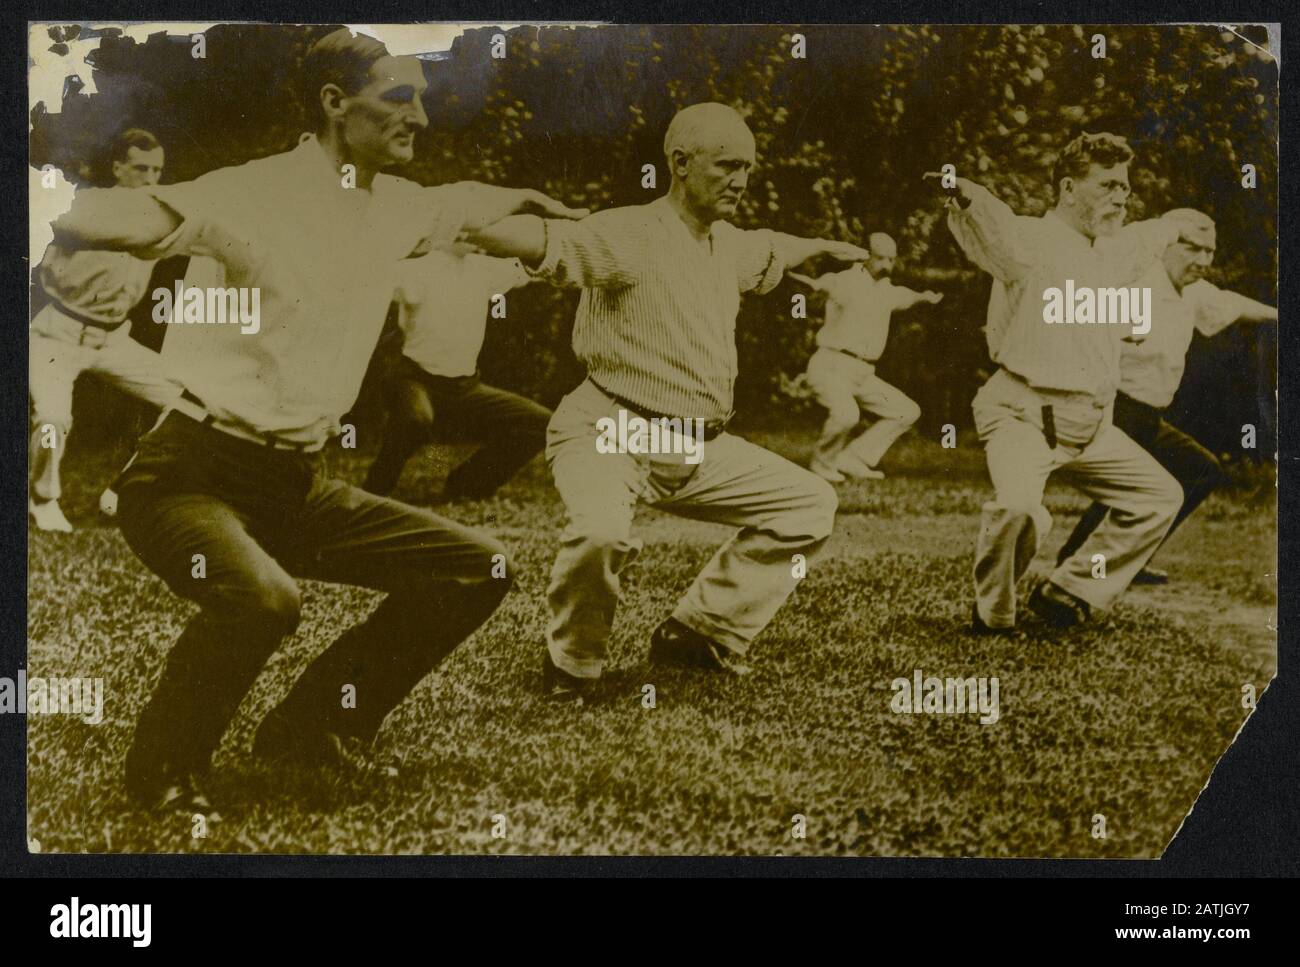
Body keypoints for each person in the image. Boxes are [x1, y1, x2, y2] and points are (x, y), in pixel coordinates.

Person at [50, 28, 586, 813]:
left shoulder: (396, 207)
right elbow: (123, 218)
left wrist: (562, 224)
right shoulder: (252, 193)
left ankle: (312, 724)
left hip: (293, 483)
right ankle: (163, 770)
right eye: (399, 99)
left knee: (477, 567)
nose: (422, 120)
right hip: (186, 474)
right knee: (265, 600)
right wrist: (44, 210)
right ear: (336, 103)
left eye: (422, 101)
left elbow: (468, 207)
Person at [473, 102, 869, 702]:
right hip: (610, 427)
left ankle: (701, 631)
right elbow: (549, 242)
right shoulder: (630, 233)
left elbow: (773, 248)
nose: (740, 180)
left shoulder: (728, 244)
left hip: (697, 445)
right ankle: (573, 664)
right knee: (603, 532)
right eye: (727, 165)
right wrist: (459, 224)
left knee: (810, 504)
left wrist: (818, 245)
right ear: (679, 164)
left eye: (749, 169)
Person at [937, 132, 1202, 632]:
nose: (1120, 196)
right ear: (1066, 189)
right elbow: (995, 226)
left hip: (1090, 424)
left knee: (1159, 498)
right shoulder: (1031, 243)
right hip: (1023, 413)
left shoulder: (1111, 250)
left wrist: (1176, 225)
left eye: (1123, 185)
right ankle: (993, 613)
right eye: (1106, 185)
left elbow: (1151, 234)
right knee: (1018, 508)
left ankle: (1070, 589)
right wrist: (964, 192)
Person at [1054, 210, 1278, 584]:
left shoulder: (1194, 292)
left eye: (1210, 251)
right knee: (1138, 486)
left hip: (1148, 415)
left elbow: (1234, 304)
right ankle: (1083, 562)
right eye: (1193, 248)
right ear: (1166, 243)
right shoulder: (1135, 284)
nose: (1204, 261)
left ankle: (1121, 556)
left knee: (1199, 472)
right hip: (1113, 408)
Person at [29, 128, 182, 532]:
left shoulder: (161, 214)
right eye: (140, 168)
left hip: (114, 339)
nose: (150, 178)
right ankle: (42, 499)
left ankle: (123, 493)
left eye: (157, 170)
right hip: (57, 335)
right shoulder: (83, 207)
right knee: (51, 419)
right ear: (117, 167)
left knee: (185, 402)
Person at [362, 244, 552, 500]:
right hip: (415, 380)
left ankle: (467, 486)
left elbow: (538, 264)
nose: (469, 234)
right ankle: (374, 491)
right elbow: (371, 277)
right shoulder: (417, 270)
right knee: (415, 420)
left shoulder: (483, 269)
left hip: (465, 388)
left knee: (539, 423)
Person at [790, 231, 943, 482]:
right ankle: (822, 464)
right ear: (867, 257)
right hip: (831, 366)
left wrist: (926, 297)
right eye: (881, 258)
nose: (887, 266)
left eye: (891, 260)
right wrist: (810, 284)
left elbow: (909, 297)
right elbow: (824, 284)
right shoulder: (846, 281)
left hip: (862, 373)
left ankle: (854, 458)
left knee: (906, 411)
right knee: (847, 414)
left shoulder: (887, 291)